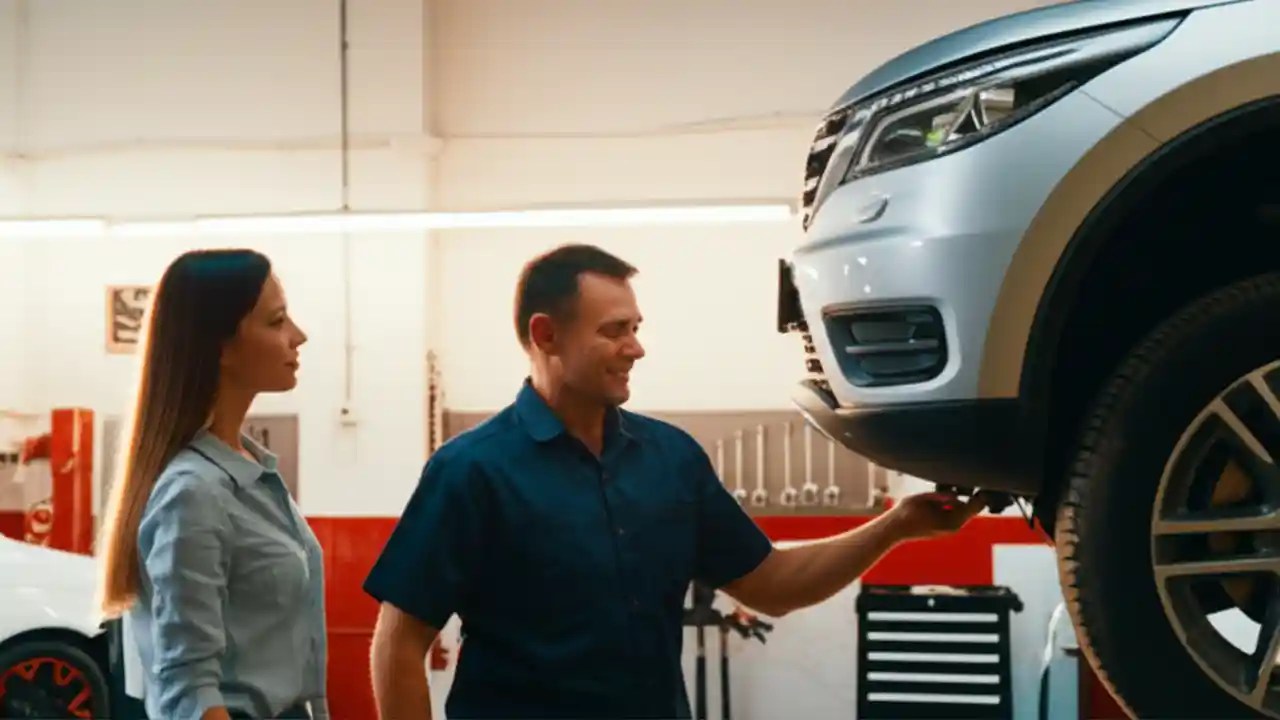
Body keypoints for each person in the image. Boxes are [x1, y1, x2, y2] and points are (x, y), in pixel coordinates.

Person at [364, 243, 987, 720]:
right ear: (545, 335)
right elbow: (399, 643)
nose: (636, 348)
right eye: (614, 330)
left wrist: (898, 526)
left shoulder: (671, 460)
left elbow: (771, 585)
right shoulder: (472, 471)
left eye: (636, 327)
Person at [95, 249, 328, 720]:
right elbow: (189, 689)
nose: (298, 337)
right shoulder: (194, 493)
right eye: (276, 321)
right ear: (220, 345)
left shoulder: (251, 472)